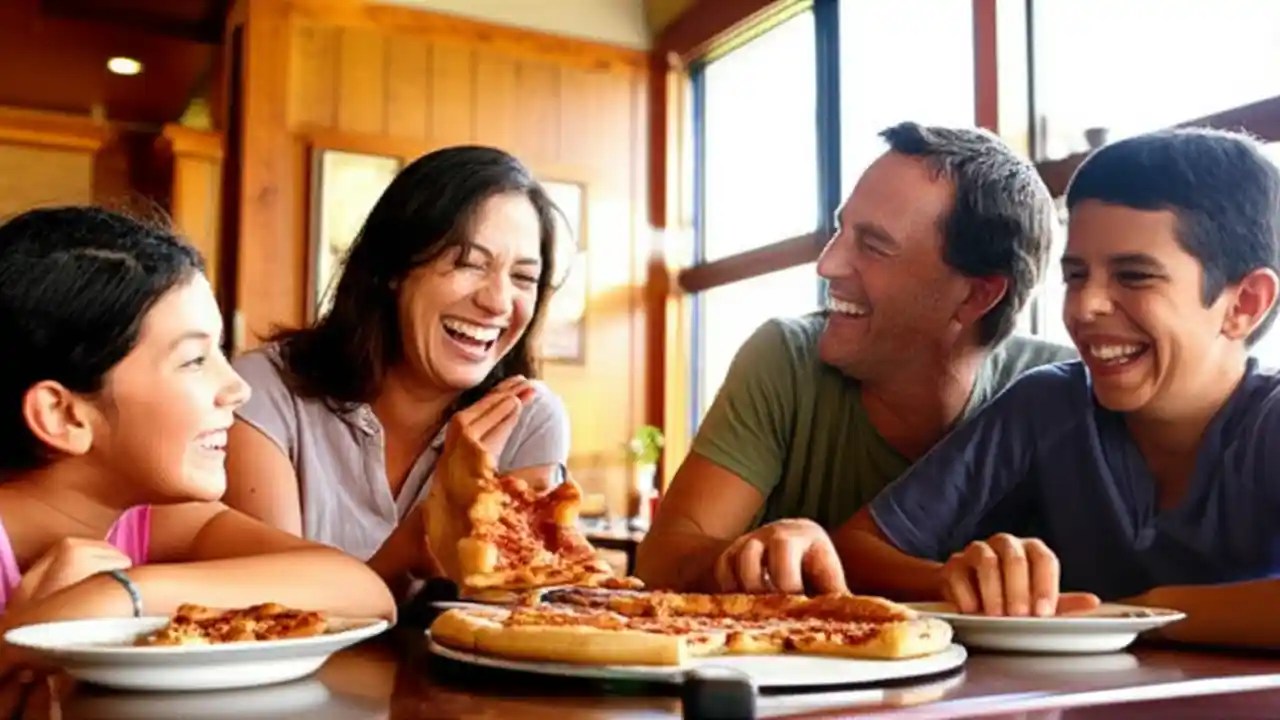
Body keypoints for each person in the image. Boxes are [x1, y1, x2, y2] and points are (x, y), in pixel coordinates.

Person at [839, 128, 1280, 648]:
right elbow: (854, 546)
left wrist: (1126, 616)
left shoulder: (1268, 423)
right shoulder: (1046, 405)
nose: (1086, 306)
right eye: (1075, 275)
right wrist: (955, 580)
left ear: (1245, 304)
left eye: (1134, 276)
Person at [636, 122, 1075, 594]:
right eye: (841, 230)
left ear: (975, 295)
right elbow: (661, 563)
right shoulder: (785, 359)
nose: (828, 264)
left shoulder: (1061, 394)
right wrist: (759, 556)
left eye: (872, 245)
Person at [0, 206, 396, 634]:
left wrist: (118, 593)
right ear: (63, 416)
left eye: (221, 352)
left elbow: (365, 595)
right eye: (193, 361)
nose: (238, 389)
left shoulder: (149, 520)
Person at [223, 146, 570, 601]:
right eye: (468, 263)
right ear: (392, 269)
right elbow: (272, 609)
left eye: (524, 278)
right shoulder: (266, 392)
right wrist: (412, 544)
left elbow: (510, 616)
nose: (499, 302)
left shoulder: (529, 416)